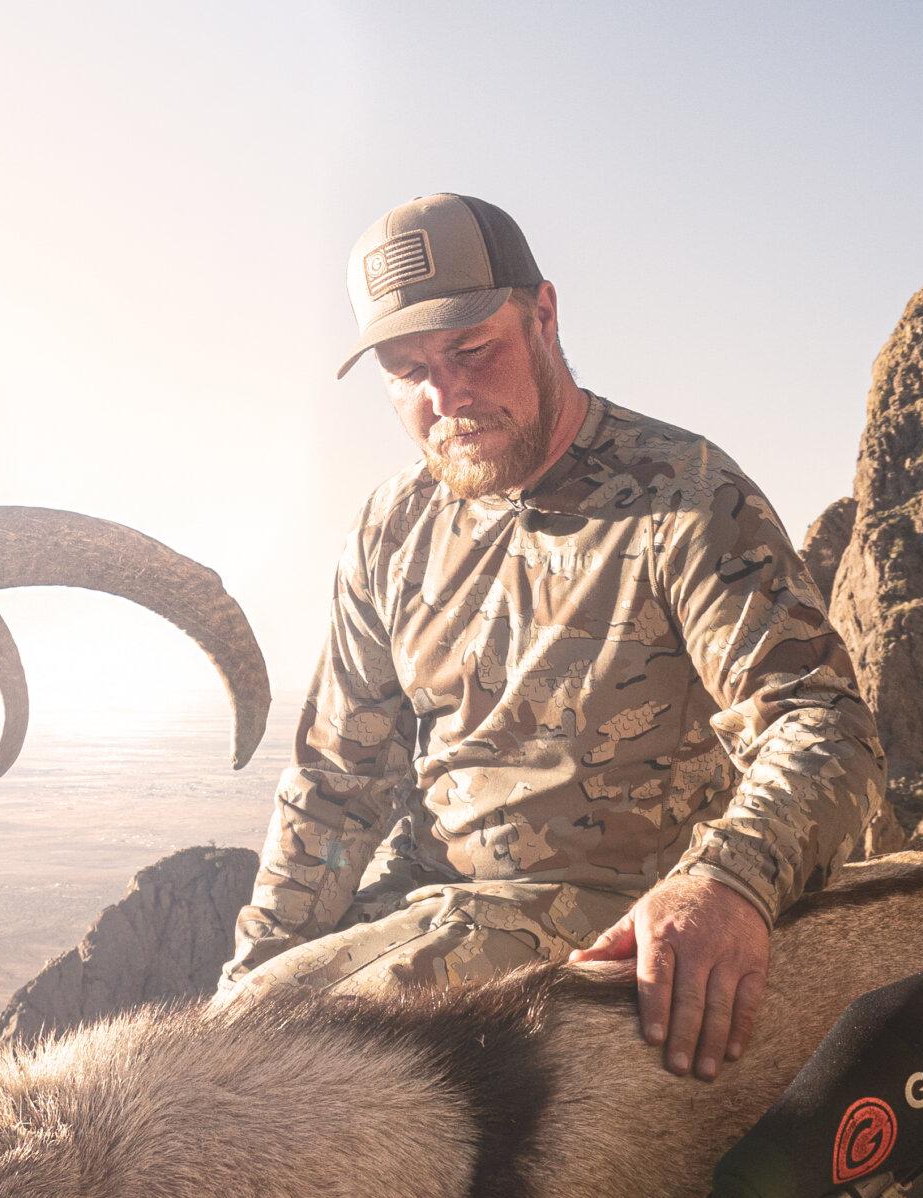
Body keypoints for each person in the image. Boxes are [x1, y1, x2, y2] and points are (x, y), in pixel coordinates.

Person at [216, 193, 885, 1081]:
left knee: (298, 1067)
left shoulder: (682, 498)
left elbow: (825, 727)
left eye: (470, 351)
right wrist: (252, 972)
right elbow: (336, 787)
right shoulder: (390, 527)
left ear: (544, 316)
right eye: (406, 368)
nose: (443, 396)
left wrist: (729, 881)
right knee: (221, 1043)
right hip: (424, 902)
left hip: (611, 913)